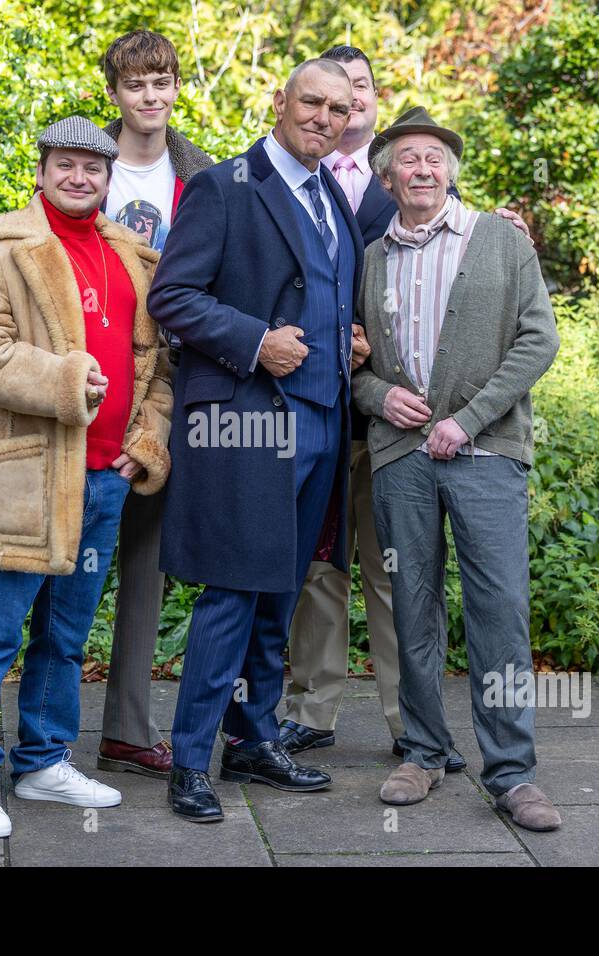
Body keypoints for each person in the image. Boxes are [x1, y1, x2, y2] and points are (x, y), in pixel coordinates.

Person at [280, 45, 529, 772]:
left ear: (373, 102)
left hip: (418, 433)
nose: (345, 103)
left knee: (398, 577)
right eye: (331, 92)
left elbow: (515, 321)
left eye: (359, 88)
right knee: (321, 569)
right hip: (331, 411)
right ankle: (313, 708)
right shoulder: (297, 177)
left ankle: (410, 724)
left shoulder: (437, 204)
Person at [0, 116, 173, 838]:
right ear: (41, 172)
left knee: (66, 637)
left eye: (92, 168)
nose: (79, 177)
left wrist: (147, 437)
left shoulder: (134, 254)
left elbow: (157, 368)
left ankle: (42, 761)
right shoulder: (4, 245)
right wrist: (67, 379)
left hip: (105, 479)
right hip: (26, 476)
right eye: (65, 165)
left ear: (108, 179)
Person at [150, 60, 366, 822]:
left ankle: (251, 739)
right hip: (247, 421)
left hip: (322, 424)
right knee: (234, 592)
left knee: (281, 591)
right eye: (312, 101)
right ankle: (190, 761)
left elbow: (327, 286)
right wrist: (254, 340)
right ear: (281, 102)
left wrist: (351, 336)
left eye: (339, 109)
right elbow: (172, 296)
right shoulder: (223, 187)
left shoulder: (335, 194)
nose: (324, 117)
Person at [352, 107, 562, 831]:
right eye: (407, 159)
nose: (422, 169)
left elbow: (539, 340)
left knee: (499, 610)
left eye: (434, 158)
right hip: (401, 457)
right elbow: (355, 368)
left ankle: (512, 773)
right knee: (411, 606)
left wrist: (467, 420)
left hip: (486, 455)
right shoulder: (372, 256)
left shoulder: (500, 241)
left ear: (451, 171)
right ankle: (423, 751)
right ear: (387, 177)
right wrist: (382, 396)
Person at [95, 30, 213, 780]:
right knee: (61, 558)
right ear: (114, 93)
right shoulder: (84, 165)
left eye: (162, 82)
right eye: (135, 84)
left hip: (173, 385)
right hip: (96, 382)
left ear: (174, 88)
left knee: (145, 563)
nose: (151, 96)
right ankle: (35, 732)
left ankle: (125, 730)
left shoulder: (203, 174)